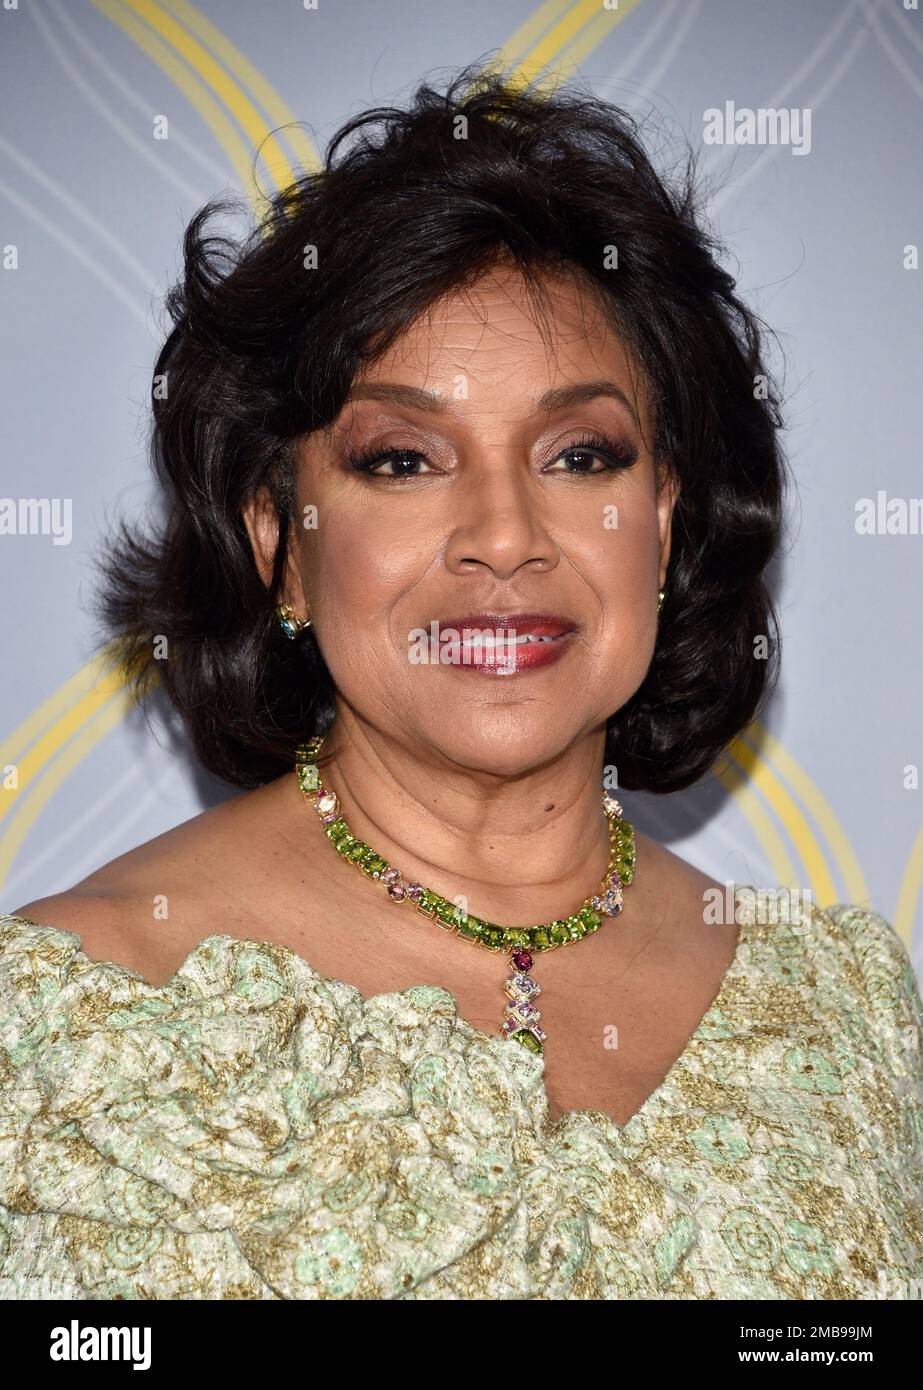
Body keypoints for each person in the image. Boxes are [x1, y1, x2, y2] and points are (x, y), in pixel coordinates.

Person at [2, 64, 921, 1302]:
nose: (503, 532)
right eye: (402, 460)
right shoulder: (64, 1017)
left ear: (662, 520)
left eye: (578, 453)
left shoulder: (850, 1014)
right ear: (279, 538)